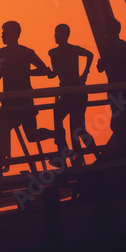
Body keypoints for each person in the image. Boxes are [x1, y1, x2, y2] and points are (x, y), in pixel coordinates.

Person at [0, 21, 58, 176]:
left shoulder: (27, 53)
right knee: (3, 134)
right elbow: (2, 71)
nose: (2, 35)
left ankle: (56, 134)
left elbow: (43, 69)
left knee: (31, 135)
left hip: (24, 101)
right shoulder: (2, 53)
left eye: (5, 32)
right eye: (2, 32)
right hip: (9, 102)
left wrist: (26, 73)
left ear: (15, 34)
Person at [47, 24, 96, 166]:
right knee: (60, 117)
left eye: (57, 33)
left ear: (64, 35)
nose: (55, 36)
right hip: (68, 93)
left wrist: (85, 73)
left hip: (76, 93)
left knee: (77, 129)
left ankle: (89, 155)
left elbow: (90, 55)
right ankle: (65, 151)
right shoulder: (54, 53)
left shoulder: (68, 50)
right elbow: (55, 73)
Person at [96, 19, 126, 152]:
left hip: (116, 89)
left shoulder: (107, 48)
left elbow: (101, 68)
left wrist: (101, 63)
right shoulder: (125, 46)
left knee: (118, 122)